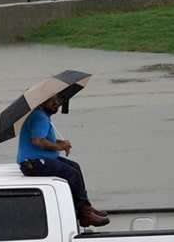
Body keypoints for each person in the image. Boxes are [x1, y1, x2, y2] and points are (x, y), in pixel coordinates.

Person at [17, 94, 109, 227]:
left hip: (39, 159)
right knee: (72, 174)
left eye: (56, 99)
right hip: (34, 163)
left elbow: (43, 139)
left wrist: (59, 142)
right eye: (51, 100)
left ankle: (85, 208)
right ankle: (86, 215)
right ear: (40, 101)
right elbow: (38, 141)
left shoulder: (41, 116)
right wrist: (59, 146)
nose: (56, 102)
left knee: (75, 167)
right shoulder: (39, 117)